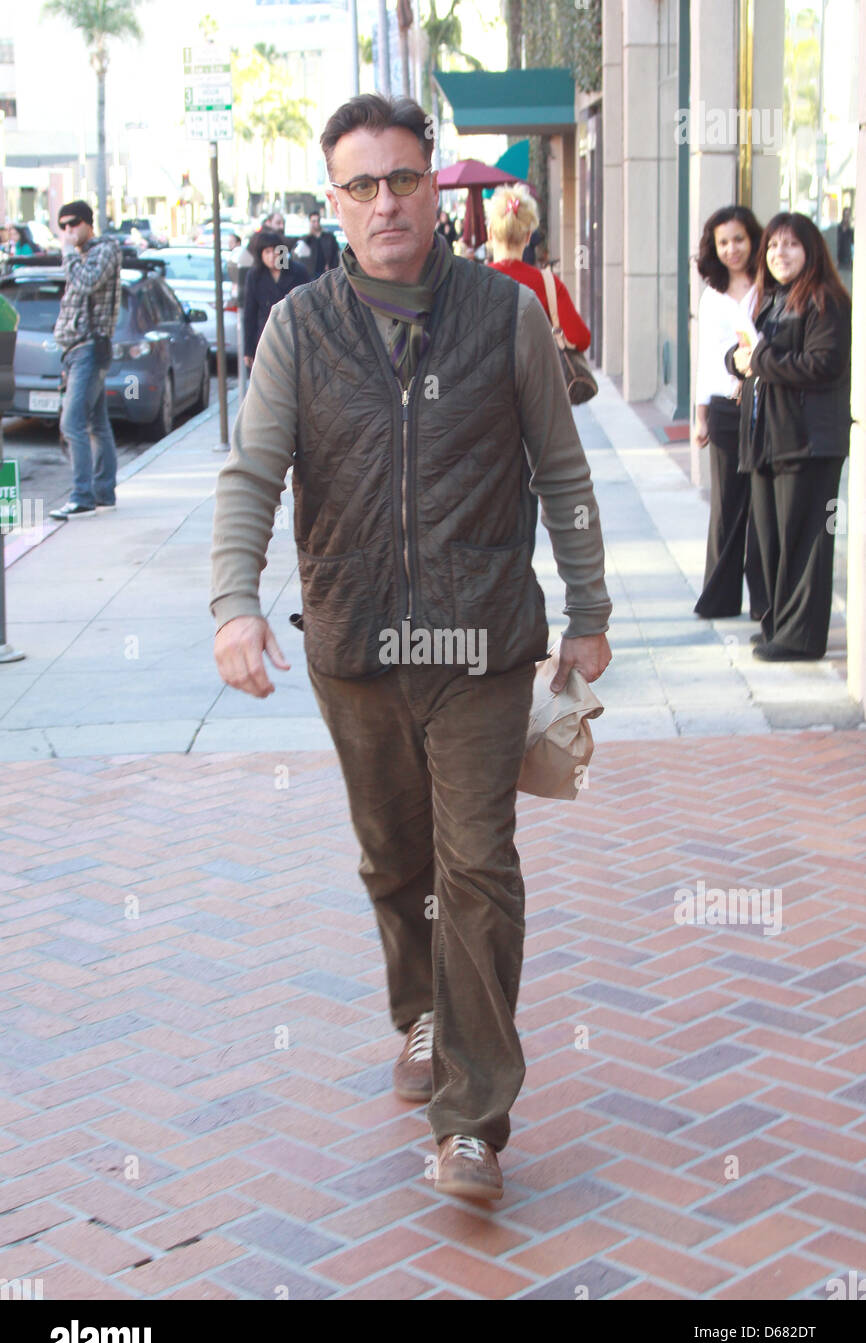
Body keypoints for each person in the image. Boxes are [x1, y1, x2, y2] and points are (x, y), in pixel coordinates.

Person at [209, 94, 612, 1203]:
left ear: (434, 188)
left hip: (479, 642)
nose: (385, 200)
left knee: (476, 864)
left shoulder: (506, 315)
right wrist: (232, 602)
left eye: (403, 179)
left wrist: (589, 608)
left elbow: (562, 472)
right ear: (334, 201)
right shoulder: (300, 326)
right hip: (352, 641)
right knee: (396, 860)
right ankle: (420, 1010)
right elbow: (252, 472)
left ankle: (471, 1118)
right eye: (361, 185)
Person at [726, 212, 852, 662]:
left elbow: (822, 366)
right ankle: (779, 624)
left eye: (792, 245)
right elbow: (753, 352)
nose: (781, 254)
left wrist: (758, 359)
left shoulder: (826, 301)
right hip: (768, 441)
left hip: (809, 442)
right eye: (774, 246)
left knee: (805, 541)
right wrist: (737, 358)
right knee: (770, 541)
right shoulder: (770, 299)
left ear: (811, 250)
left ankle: (801, 638)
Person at [692, 205, 767, 620]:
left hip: (764, 408)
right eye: (723, 242)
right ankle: (719, 599)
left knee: (761, 506)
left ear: (752, 239)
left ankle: (763, 602)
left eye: (739, 239)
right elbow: (705, 358)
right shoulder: (712, 294)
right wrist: (700, 416)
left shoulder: (767, 284)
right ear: (714, 248)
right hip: (723, 409)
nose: (732, 248)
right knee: (726, 506)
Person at [48, 200, 122, 520]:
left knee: (72, 423)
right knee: (96, 424)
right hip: (75, 349)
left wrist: (66, 253)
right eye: (62, 225)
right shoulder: (80, 254)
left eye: (73, 223)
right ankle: (103, 492)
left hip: (90, 348)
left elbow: (87, 283)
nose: (67, 230)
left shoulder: (105, 250)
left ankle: (82, 496)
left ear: (88, 223)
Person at [487, 183, 590, 353]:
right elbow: (580, 338)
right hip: (537, 378)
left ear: (490, 233)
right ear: (528, 237)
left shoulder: (474, 283)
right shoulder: (549, 285)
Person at [241, 229, 310, 367]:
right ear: (260, 255)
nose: (272, 256)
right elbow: (250, 314)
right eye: (267, 252)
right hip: (265, 339)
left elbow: (308, 307)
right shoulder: (255, 276)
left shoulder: (298, 272)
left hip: (294, 339)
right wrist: (248, 350)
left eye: (275, 251)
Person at [302, 209, 340, 278]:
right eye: (313, 221)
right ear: (310, 222)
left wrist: (332, 267)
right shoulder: (306, 238)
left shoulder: (329, 237)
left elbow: (336, 253)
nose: (316, 223)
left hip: (326, 272)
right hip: (311, 274)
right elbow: (300, 256)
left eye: (318, 221)